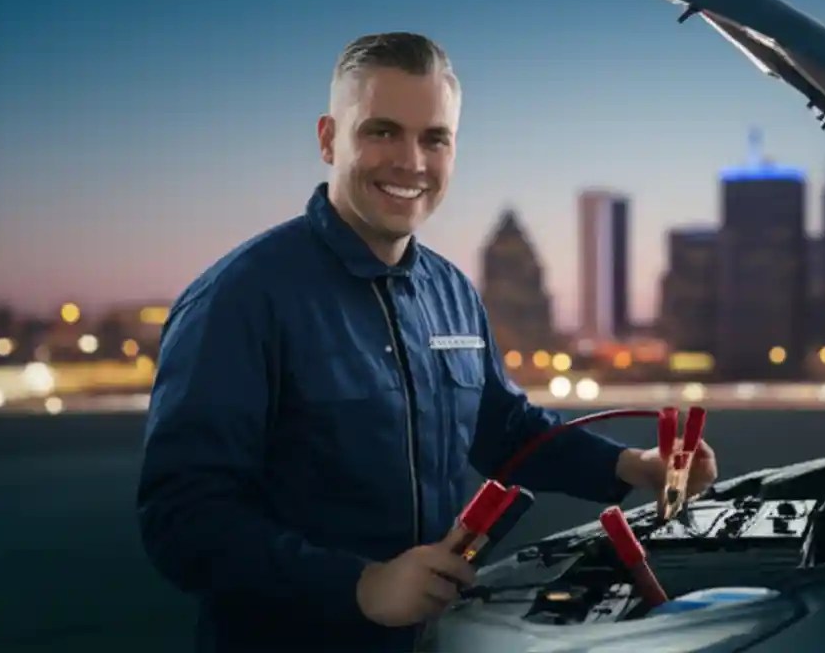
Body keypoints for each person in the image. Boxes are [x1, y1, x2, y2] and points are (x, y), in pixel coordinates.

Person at [136, 32, 718, 653]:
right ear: (329, 139)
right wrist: (360, 586)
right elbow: (183, 520)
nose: (411, 162)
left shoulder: (452, 292)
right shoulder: (241, 299)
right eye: (382, 131)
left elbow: (505, 429)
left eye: (434, 138)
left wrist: (630, 466)